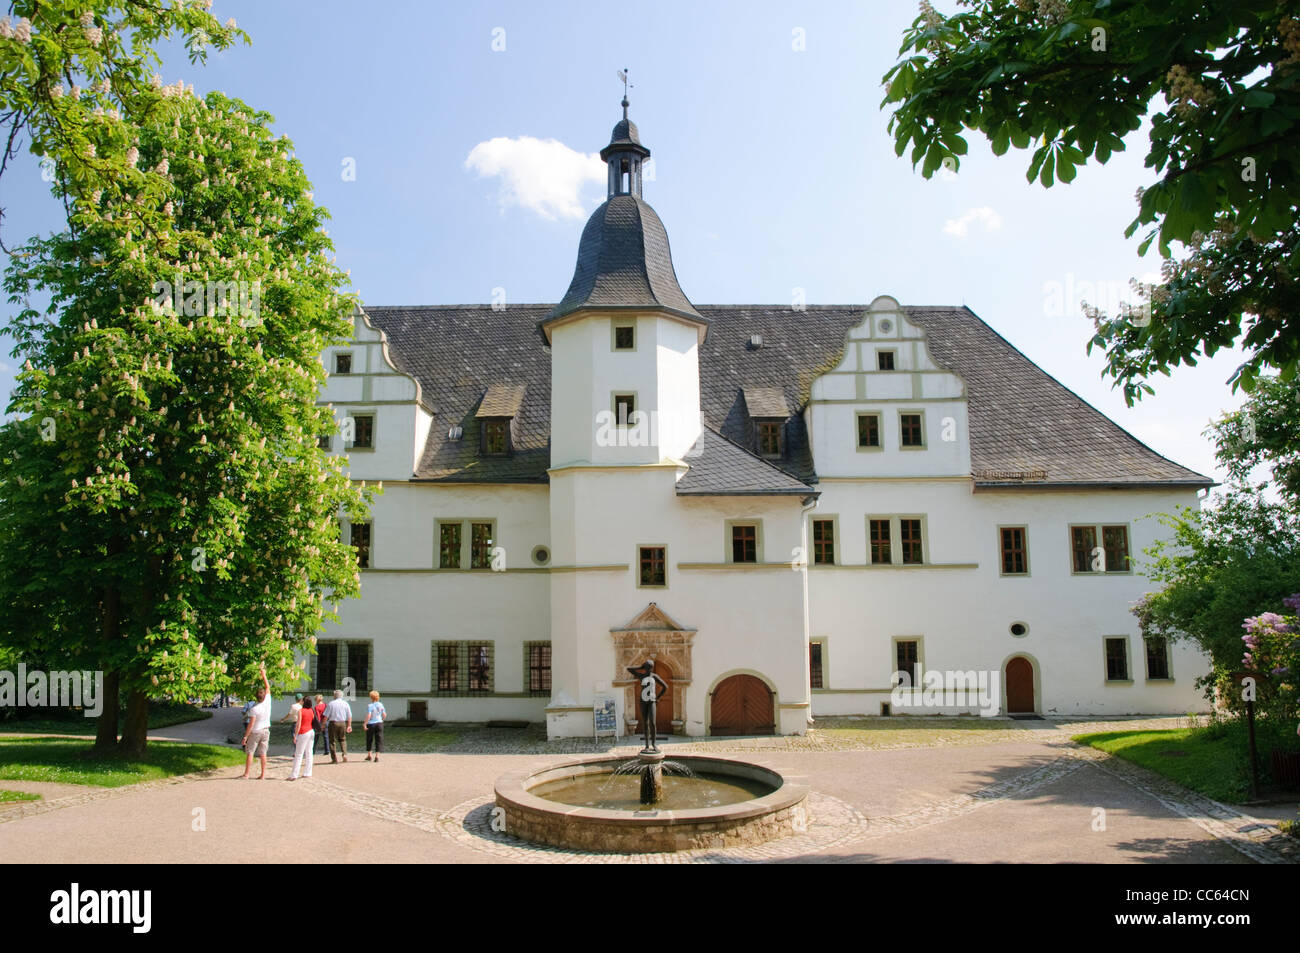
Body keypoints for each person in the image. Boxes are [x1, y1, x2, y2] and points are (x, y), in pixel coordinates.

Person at [240, 664, 273, 780]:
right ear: (264, 696)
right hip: (266, 731)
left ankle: (247, 774)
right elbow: (268, 687)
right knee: (263, 753)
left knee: (250, 752)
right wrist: (263, 675)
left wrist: (245, 736)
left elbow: (251, 724)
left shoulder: (254, 709)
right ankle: (263, 774)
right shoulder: (268, 702)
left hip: (256, 732)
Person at [288, 691, 316, 781]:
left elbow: (299, 724)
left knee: (299, 754)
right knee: (309, 752)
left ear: (304, 702)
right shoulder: (311, 710)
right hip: (311, 731)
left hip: (303, 732)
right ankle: (308, 772)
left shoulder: (301, 711)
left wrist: (295, 735)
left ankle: (294, 774)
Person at [324, 689, 353, 763]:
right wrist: (349, 725)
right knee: (343, 739)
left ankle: (334, 759)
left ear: (334, 696)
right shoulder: (345, 703)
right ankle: (344, 754)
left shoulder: (331, 703)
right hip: (342, 723)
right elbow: (349, 716)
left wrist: (323, 724)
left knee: (332, 741)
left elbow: (326, 716)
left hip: (333, 723)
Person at [364, 690, 387, 762]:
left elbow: (369, 715)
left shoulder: (370, 705)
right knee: (378, 739)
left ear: (371, 697)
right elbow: (384, 714)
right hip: (379, 723)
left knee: (369, 739)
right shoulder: (381, 704)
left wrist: (365, 723)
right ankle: (377, 756)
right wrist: (382, 720)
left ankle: (369, 755)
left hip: (371, 724)